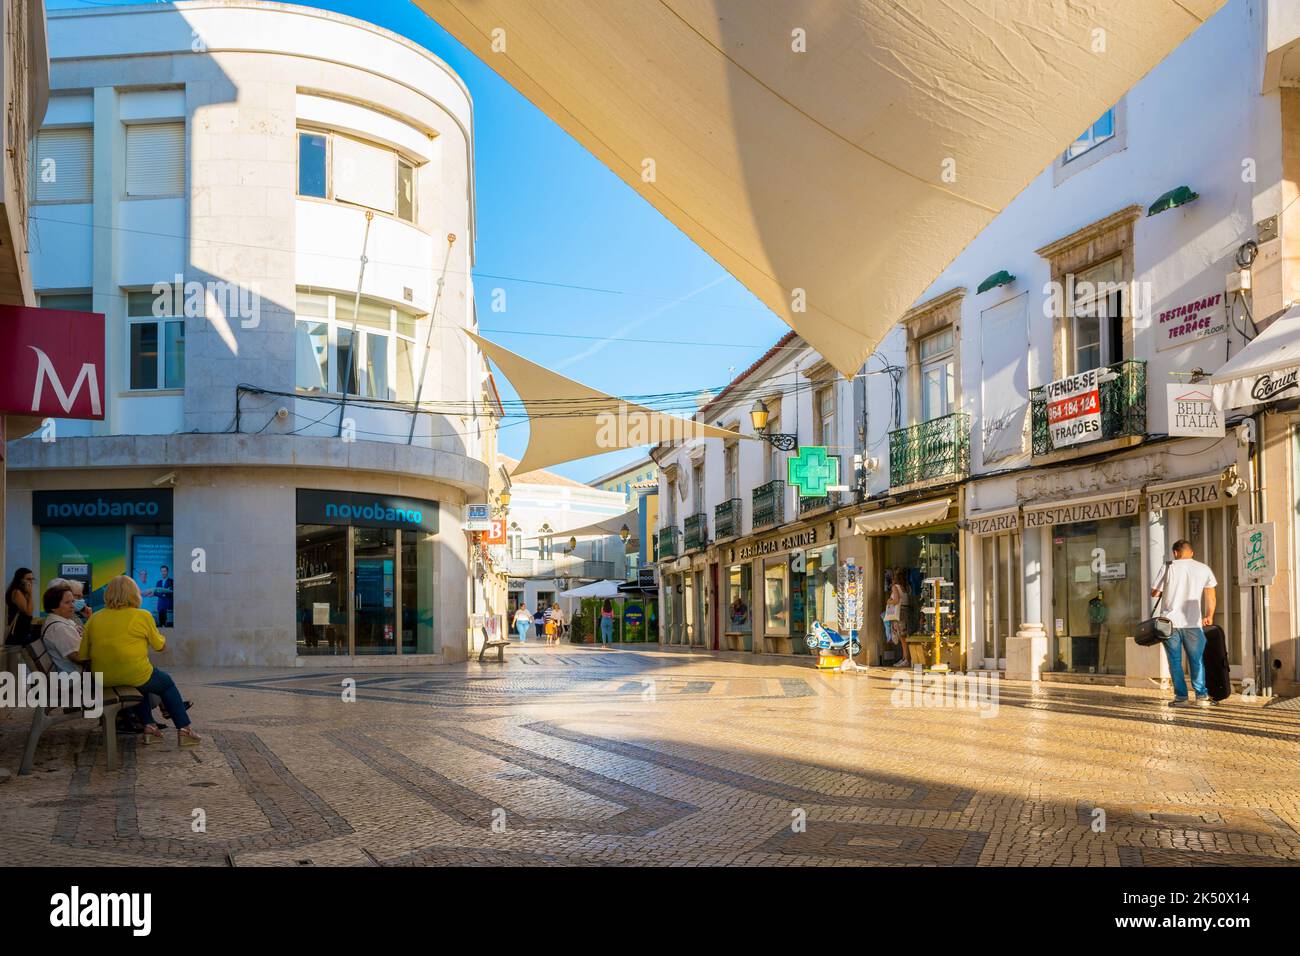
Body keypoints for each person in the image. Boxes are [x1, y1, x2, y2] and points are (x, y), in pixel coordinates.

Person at [79, 575, 201, 746]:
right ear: (134, 594)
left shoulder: (95, 618)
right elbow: (160, 646)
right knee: (166, 683)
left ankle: (150, 727)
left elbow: (83, 655)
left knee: (140, 683)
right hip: (134, 673)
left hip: (103, 678)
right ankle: (185, 730)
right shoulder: (142, 616)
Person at [1150, 539, 1217, 708]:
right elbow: (1211, 597)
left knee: (1174, 661)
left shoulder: (1168, 566)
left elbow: (1155, 593)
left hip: (1169, 623)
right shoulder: (1204, 569)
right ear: (1192, 552)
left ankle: (1181, 697)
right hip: (1193, 622)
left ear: (1175, 553)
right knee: (1197, 660)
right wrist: (1209, 616)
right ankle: (1201, 696)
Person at [39, 585, 83, 674]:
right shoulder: (59, 628)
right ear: (53, 606)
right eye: (67, 602)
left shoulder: (62, 620)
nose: (72, 606)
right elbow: (77, 657)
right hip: (76, 677)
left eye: (73, 601)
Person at [5, 568, 35, 645]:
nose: (31, 581)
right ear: (20, 580)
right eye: (28, 579)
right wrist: (31, 594)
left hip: (23, 629)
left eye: (32, 579)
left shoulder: (24, 592)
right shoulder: (17, 592)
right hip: (18, 630)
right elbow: (29, 612)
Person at [888, 567, 911, 667]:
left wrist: (889, 601)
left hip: (899, 613)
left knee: (902, 637)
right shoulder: (906, 587)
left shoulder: (895, 587)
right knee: (905, 636)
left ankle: (906, 659)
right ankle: (904, 658)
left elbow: (896, 600)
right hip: (906, 612)